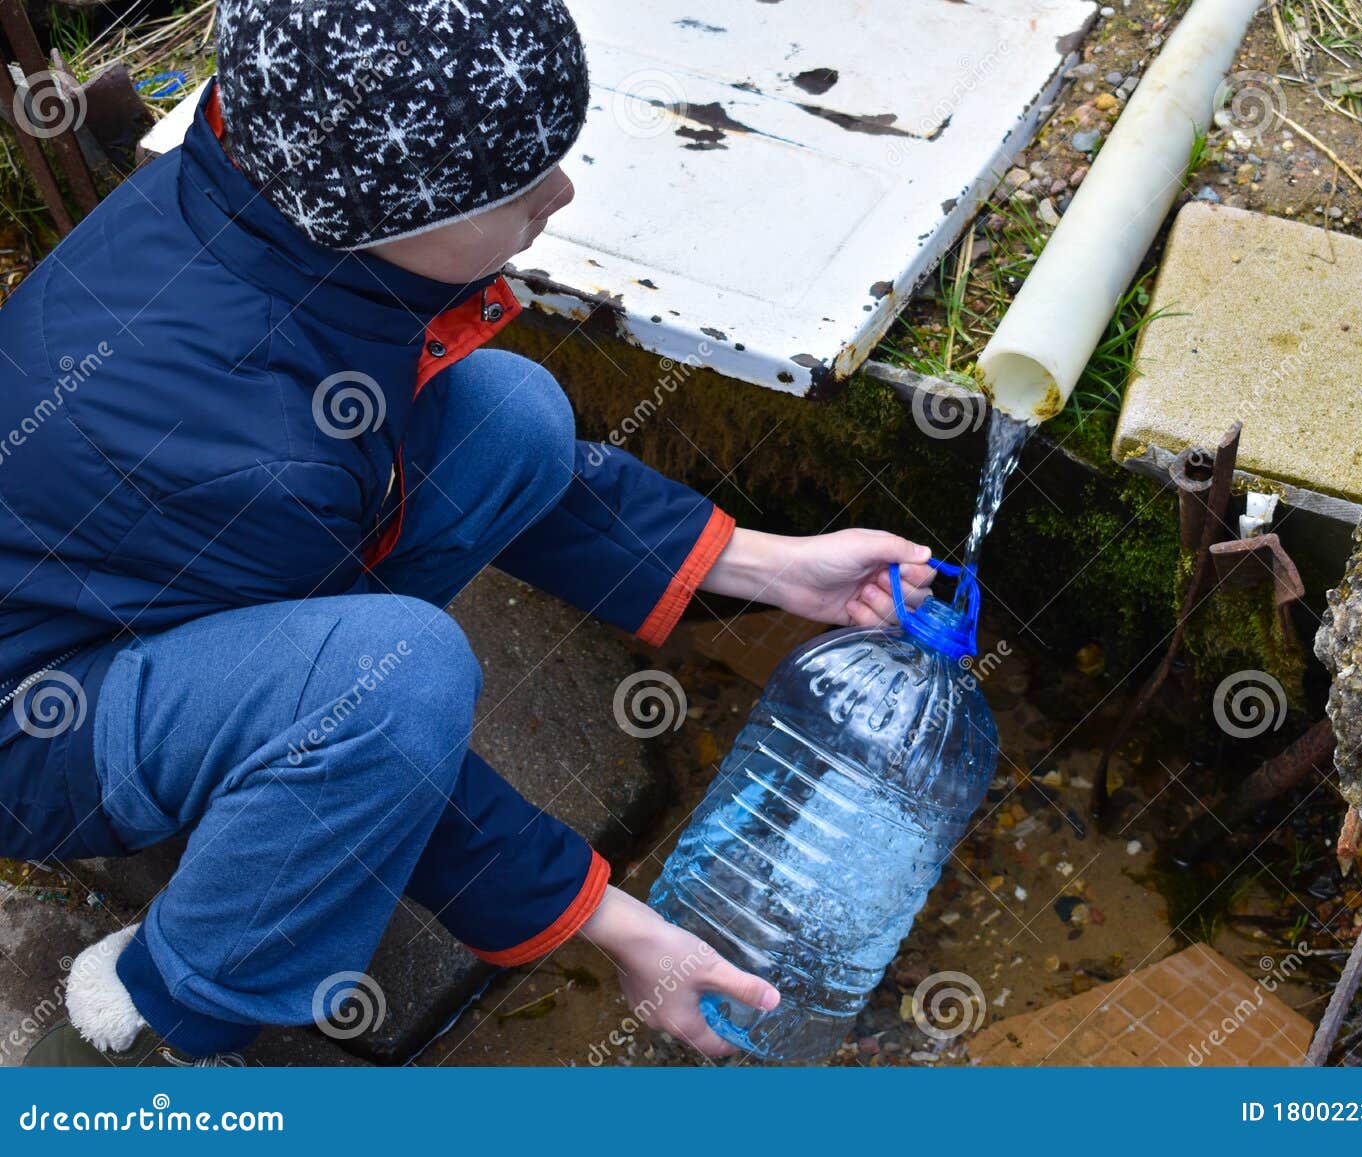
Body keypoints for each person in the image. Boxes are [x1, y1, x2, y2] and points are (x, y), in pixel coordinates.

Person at [0, 0, 935, 1065]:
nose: (561, 194)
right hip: (30, 722)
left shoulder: (261, 185)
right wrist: (615, 922)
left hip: (130, 572)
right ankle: (166, 1001)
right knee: (398, 677)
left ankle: (239, 761)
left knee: (510, 411)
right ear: (385, 214)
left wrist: (766, 566)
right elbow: (373, 716)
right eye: (514, 189)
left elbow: (419, 447)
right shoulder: (258, 438)